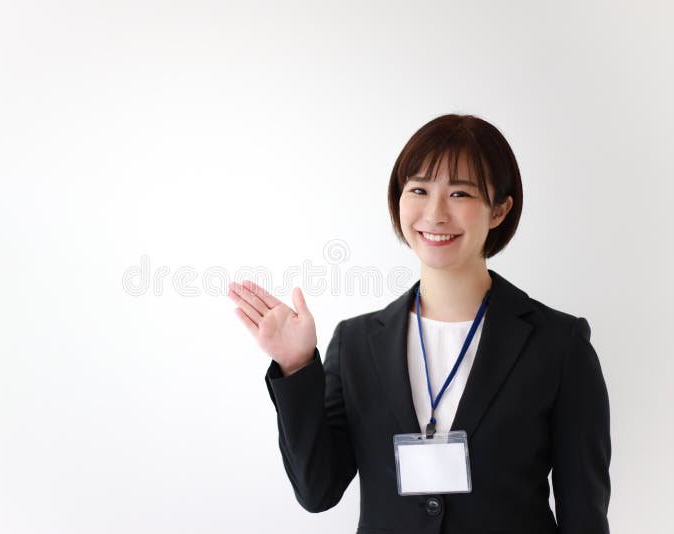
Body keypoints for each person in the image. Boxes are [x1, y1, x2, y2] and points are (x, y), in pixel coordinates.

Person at [227, 114, 611, 533]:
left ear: (500, 210)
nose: (435, 213)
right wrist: (297, 366)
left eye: (460, 193)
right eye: (419, 190)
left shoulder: (558, 344)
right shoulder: (356, 343)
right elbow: (317, 491)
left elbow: (583, 515)